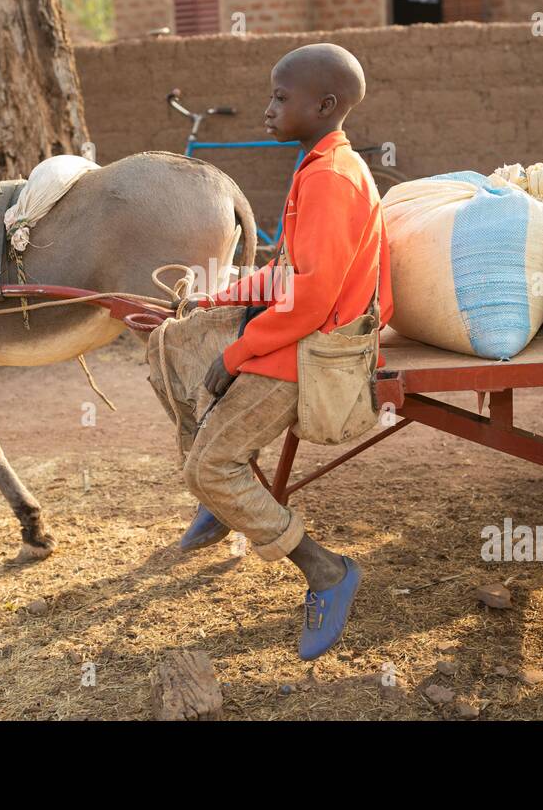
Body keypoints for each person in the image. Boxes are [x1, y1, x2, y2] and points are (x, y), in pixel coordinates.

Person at [159, 42, 393, 660]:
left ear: (325, 105)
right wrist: (219, 297)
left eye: (279, 98)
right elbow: (290, 272)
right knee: (170, 344)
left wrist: (238, 354)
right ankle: (229, 500)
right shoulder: (317, 165)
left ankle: (325, 571)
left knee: (207, 468)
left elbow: (310, 302)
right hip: (299, 330)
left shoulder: (331, 181)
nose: (268, 108)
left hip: (312, 353)